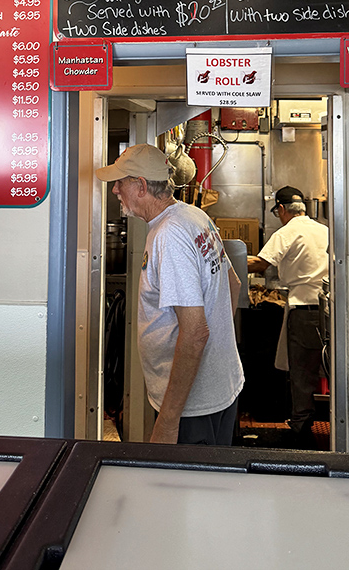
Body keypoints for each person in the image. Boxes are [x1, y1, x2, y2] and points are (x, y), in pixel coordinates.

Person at [96, 143, 244, 446]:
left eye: (120, 181)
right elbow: (234, 284)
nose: (115, 190)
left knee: (186, 492)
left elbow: (194, 333)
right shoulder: (194, 216)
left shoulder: (170, 234)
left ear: (140, 186)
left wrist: (167, 421)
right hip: (220, 388)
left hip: (191, 409)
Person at [247, 186, 329, 447]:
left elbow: (261, 263)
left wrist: (222, 256)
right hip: (328, 309)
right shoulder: (324, 230)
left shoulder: (288, 231)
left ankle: (302, 432)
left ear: (281, 209)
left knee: (302, 374)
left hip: (303, 311)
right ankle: (335, 427)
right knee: (328, 368)